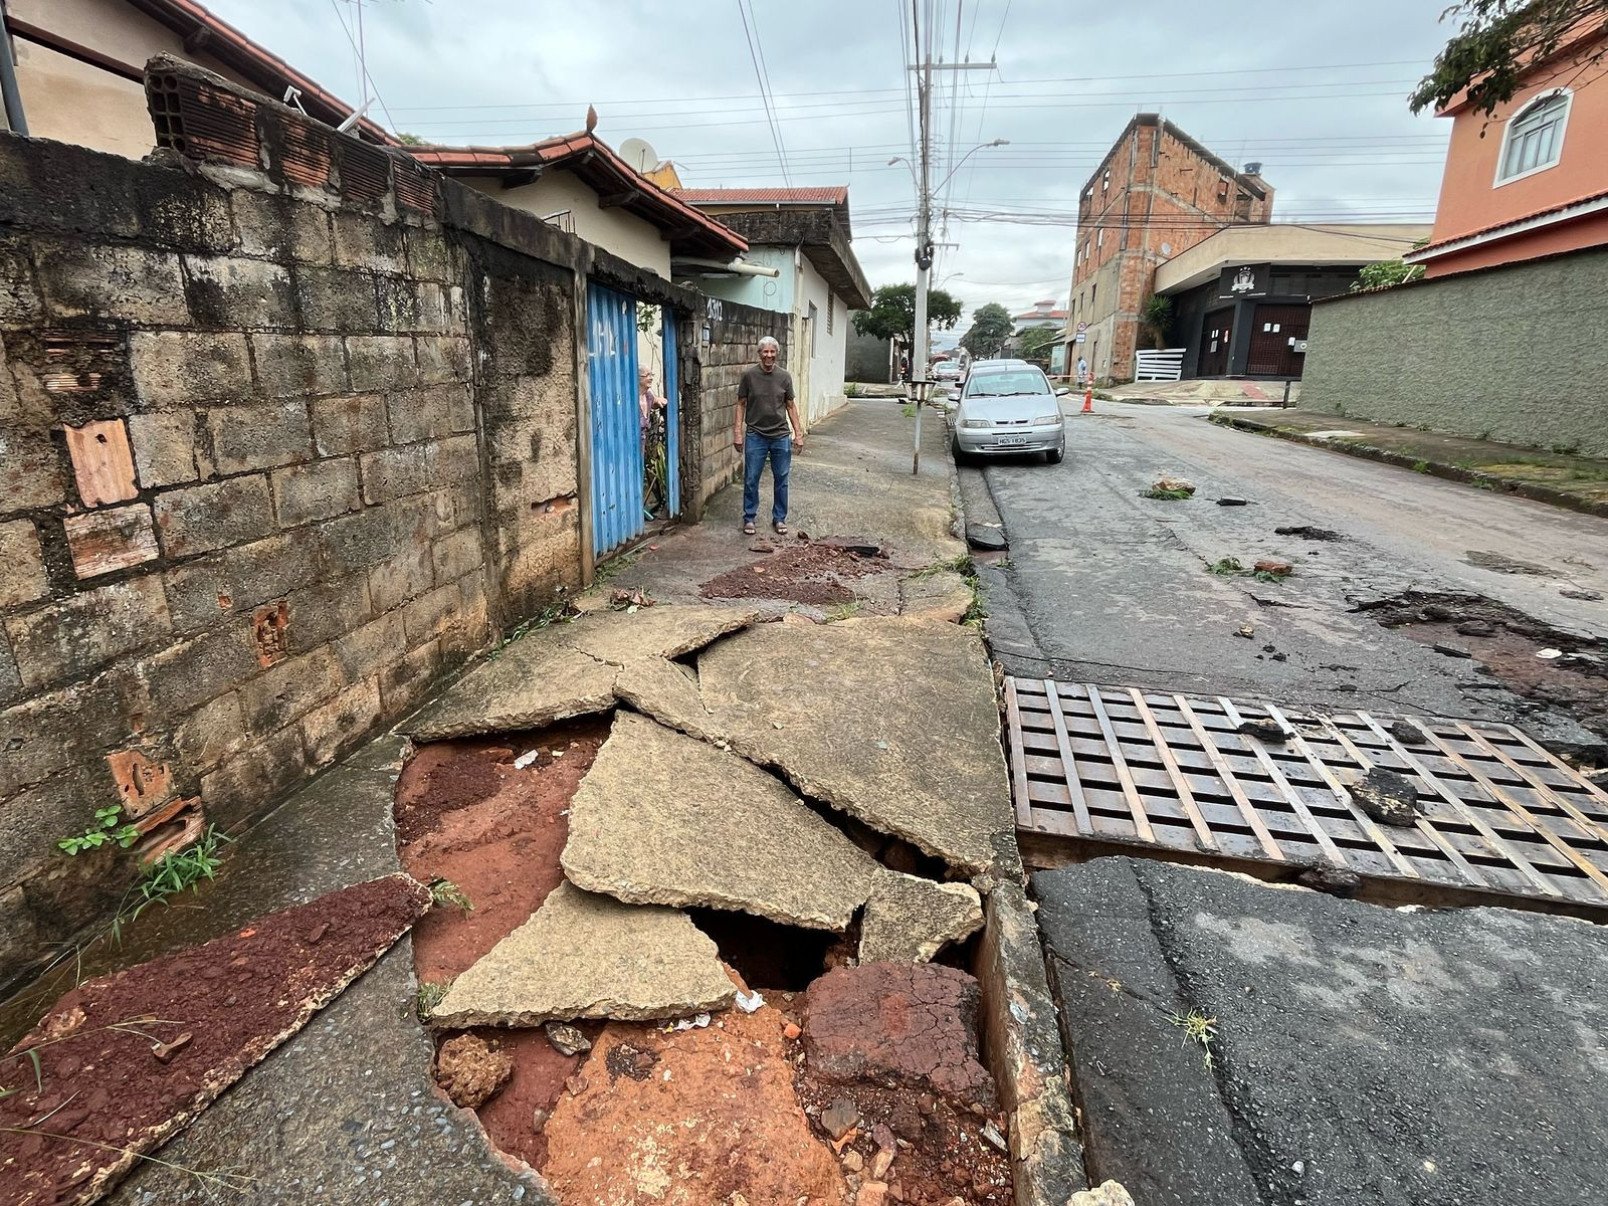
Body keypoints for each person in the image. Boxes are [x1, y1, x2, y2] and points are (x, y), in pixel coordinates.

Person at [734, 336, 803, 536]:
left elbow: (790, 406)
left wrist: (798, 434)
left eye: (772, 352)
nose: (769, 355)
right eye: (765, 352)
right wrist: (738, 433)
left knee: (781, 478)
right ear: (759, 353)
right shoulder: (748, 375)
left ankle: (779, 518)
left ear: (777, 354)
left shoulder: (785, 377)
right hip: (756, 434)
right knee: (751, 478)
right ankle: (749, 518)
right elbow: (740, 404)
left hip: (780, 435)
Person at [639, 366, 669, 517]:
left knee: (640, 471)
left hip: (643, 440)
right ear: (638, 379)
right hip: (632, 440)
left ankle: (639, 507)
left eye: (651, 374)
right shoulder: (632, 396)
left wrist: (665, 402)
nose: (650, 378)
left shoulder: (648, 395)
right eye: (646, 375)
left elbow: (657, 401)